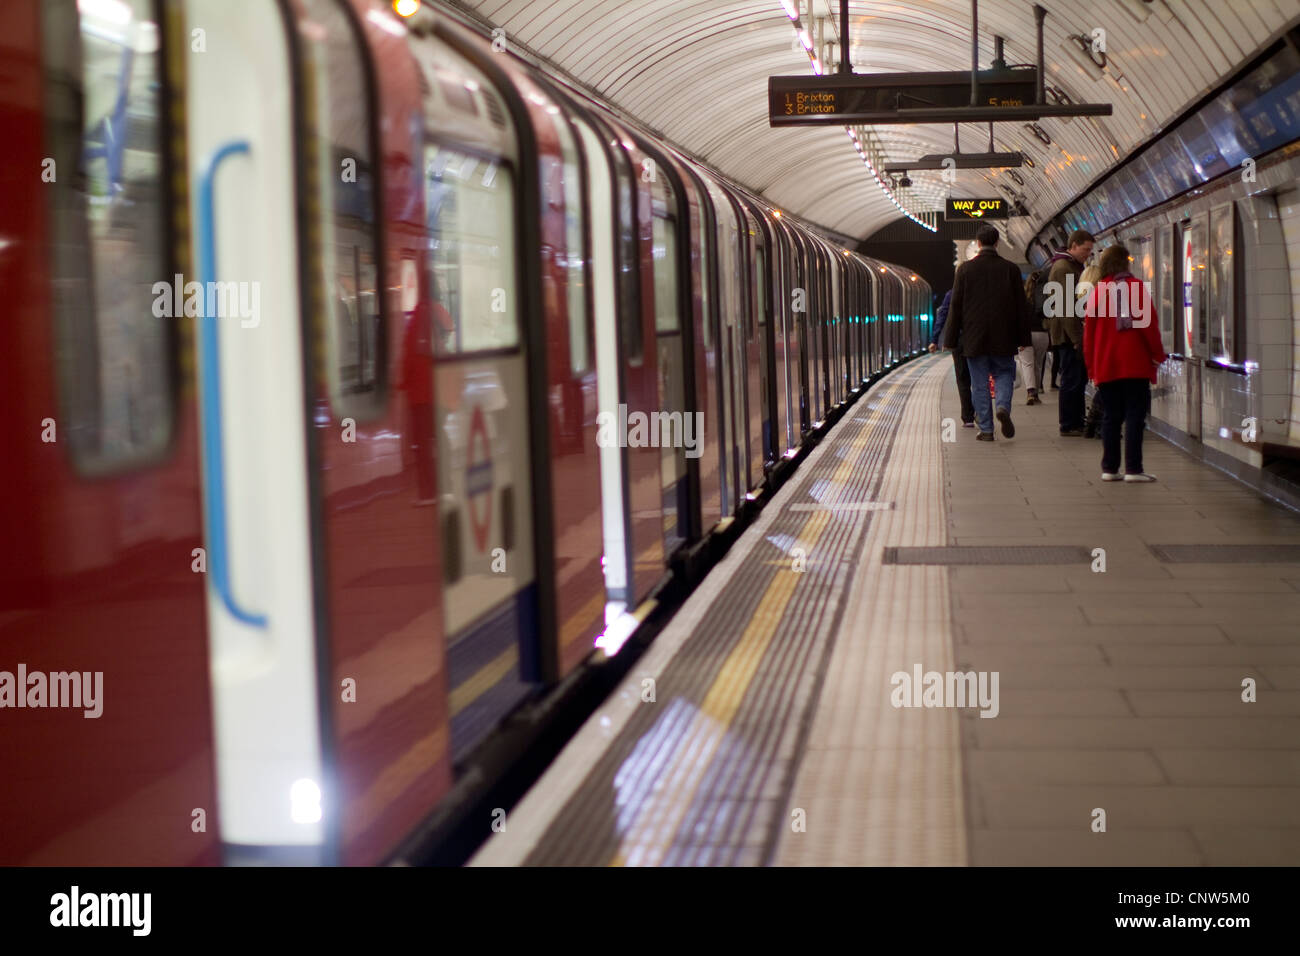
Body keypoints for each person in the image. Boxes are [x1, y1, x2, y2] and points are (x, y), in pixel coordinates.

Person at [1083, 243, 1167, 482]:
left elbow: (1089, 334)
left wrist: (1091, 366)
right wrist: (1157, 354)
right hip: (1134, 364)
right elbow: (1149, 326)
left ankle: (1109, 468)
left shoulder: (1098, 291)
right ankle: (1133, 468)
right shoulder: (1136, 288)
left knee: (1111, 416)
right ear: (1126, 262)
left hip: (1106, 365)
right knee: (1134, 415)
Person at [942, 224, 1031, 441]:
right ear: (997, 243)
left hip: (974, 338)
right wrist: (1023, 339)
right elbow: (1021, 307)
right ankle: (1002, 406)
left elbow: (956, 307)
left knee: (979, 383)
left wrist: (950, 339)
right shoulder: (1011, 269)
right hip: (1004, 337)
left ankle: (987, 430)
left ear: (979, 244)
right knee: (1004, 375)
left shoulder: (964, 270)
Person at [1046, 229, 1095, 434]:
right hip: (1068, 335)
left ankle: (1075, 419)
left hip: (1070, 333)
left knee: (1077, 378)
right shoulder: (1064, 268)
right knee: (1072, 379)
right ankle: (1068, 423)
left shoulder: (1071, 266)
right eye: (1085, 249)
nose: (1087, 254)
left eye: (1090, 251)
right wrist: (1077, 338)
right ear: (1073, 245)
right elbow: (1066, 307)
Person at [929, 288, 975, 427]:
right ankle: (981, 411)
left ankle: (967, 418)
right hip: (978, 339)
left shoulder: (952, 293)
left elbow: (942, 316)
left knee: (962, 378)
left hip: (959, 341)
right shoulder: (979, 290)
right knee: (979, 377)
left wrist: (935, 340)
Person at [1018, 269, 1050, 405]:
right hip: (1042, 334)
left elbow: (1019, 319)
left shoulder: (1022, 299)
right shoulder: (1045, 298)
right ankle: (1036, 393)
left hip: (1026, 334)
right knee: (1038, 364)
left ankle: (1030, 391)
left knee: (1027, 364)